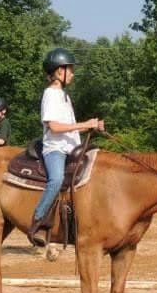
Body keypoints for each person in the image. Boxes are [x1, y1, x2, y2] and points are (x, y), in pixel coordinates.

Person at [28, 48, 104, 247]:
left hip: (71, 148)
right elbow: (53, 126)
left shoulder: (64, 96)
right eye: (69, 69)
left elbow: (70, 127)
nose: (72, 73)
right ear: (58, 71)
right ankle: (38, 220)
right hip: (56, 149)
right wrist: (85, 124)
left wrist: (92, 127)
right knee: (56, 179)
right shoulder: (51, 94)